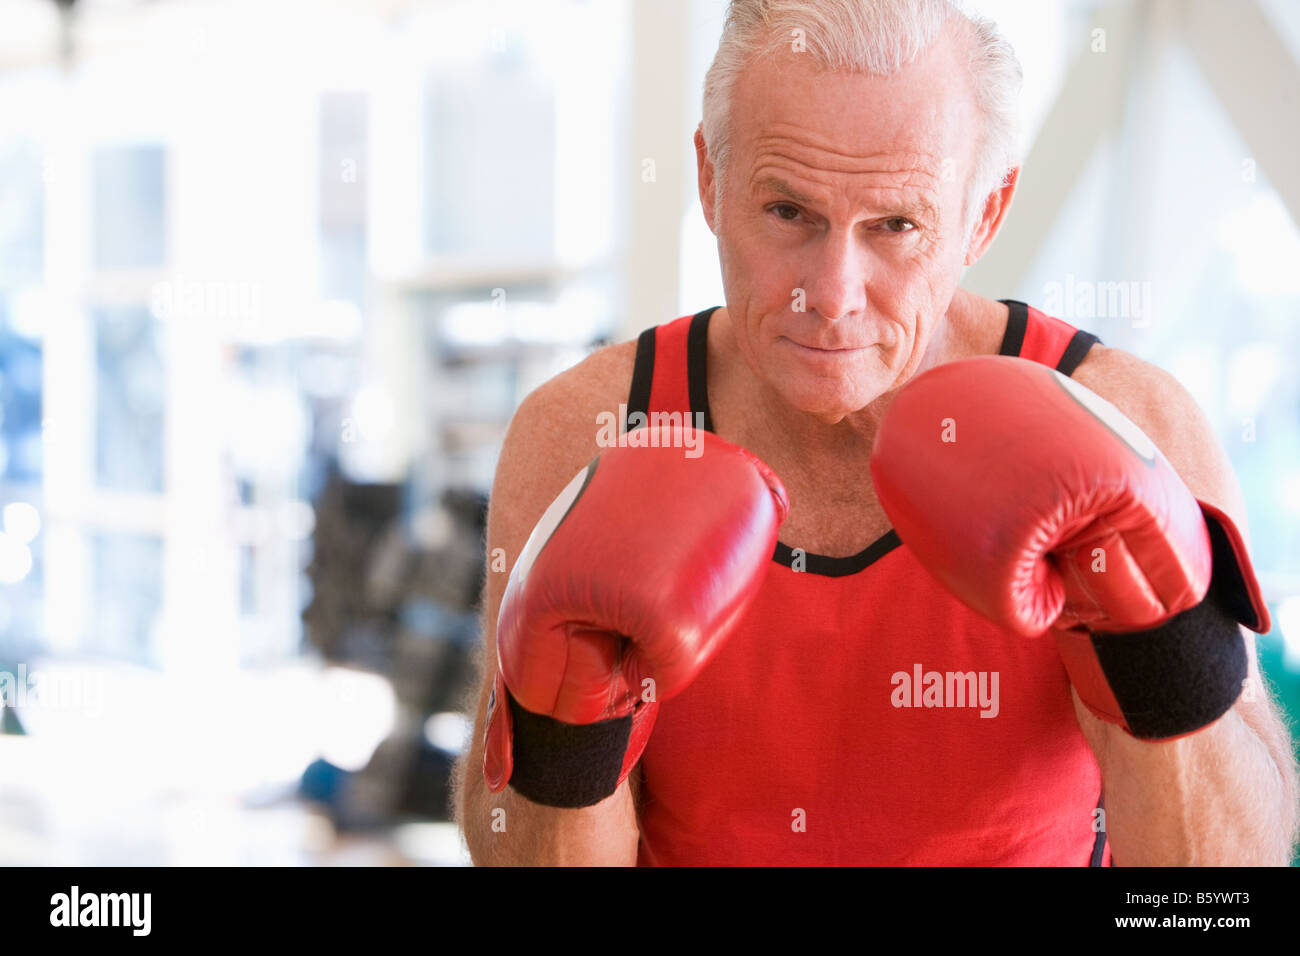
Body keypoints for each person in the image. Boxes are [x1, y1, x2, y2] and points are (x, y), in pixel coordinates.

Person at [452, 0, 1299, 865]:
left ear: (984, 215)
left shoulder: (1132, 422)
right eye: (788, 211)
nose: (832, 292)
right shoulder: (588, 434)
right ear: (709, 180)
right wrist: (566, 736)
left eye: (895, 224)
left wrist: (1164, 649)